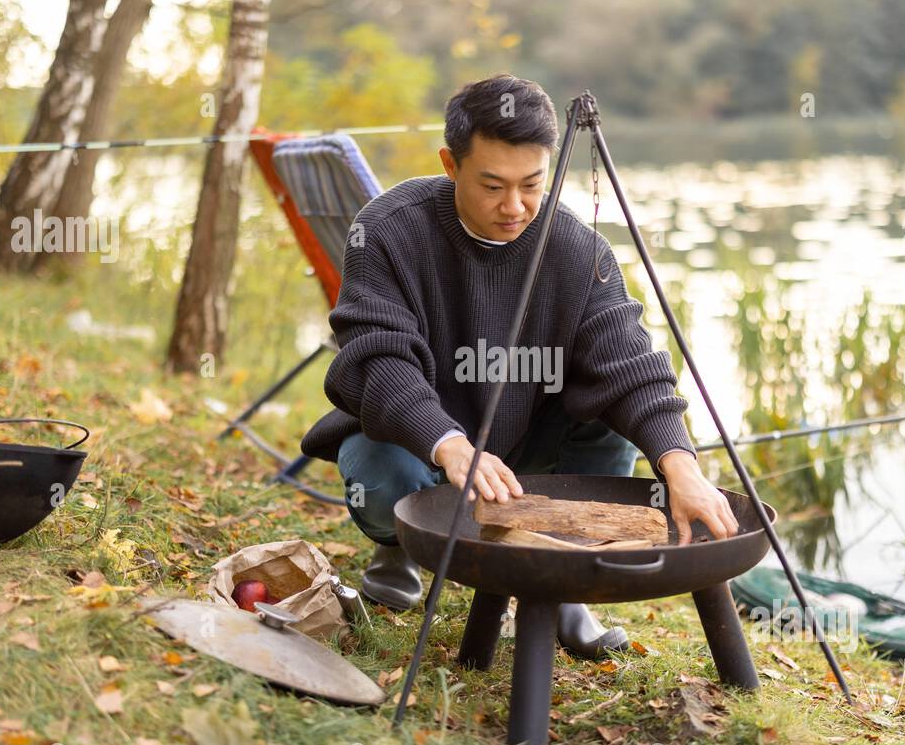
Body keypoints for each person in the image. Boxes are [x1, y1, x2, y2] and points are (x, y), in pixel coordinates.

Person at [300, 75, 739, 659]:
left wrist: (679, 465)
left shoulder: (578, 250)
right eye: (492, 185)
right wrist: (449, 443)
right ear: (450, 165)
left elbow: (631, 365)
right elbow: (378, 357)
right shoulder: (387, 229)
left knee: (607, 415)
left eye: (532, 184)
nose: (514, 207)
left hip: (525, 442)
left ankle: (563, 572)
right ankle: (397, 543)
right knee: (384, 479)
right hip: (417, 438)